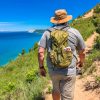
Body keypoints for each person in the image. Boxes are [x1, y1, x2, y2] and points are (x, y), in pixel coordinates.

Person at [38, 9, 85, 100]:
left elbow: (40, 53)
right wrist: (81, 62)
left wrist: (41, 67)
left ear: (55, 20)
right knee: (67, 95)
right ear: (67, 19)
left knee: (56, 89)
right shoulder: (74, 32)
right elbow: (82, 51)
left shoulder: (47, 33)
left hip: (53, 69)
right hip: (69, 70)